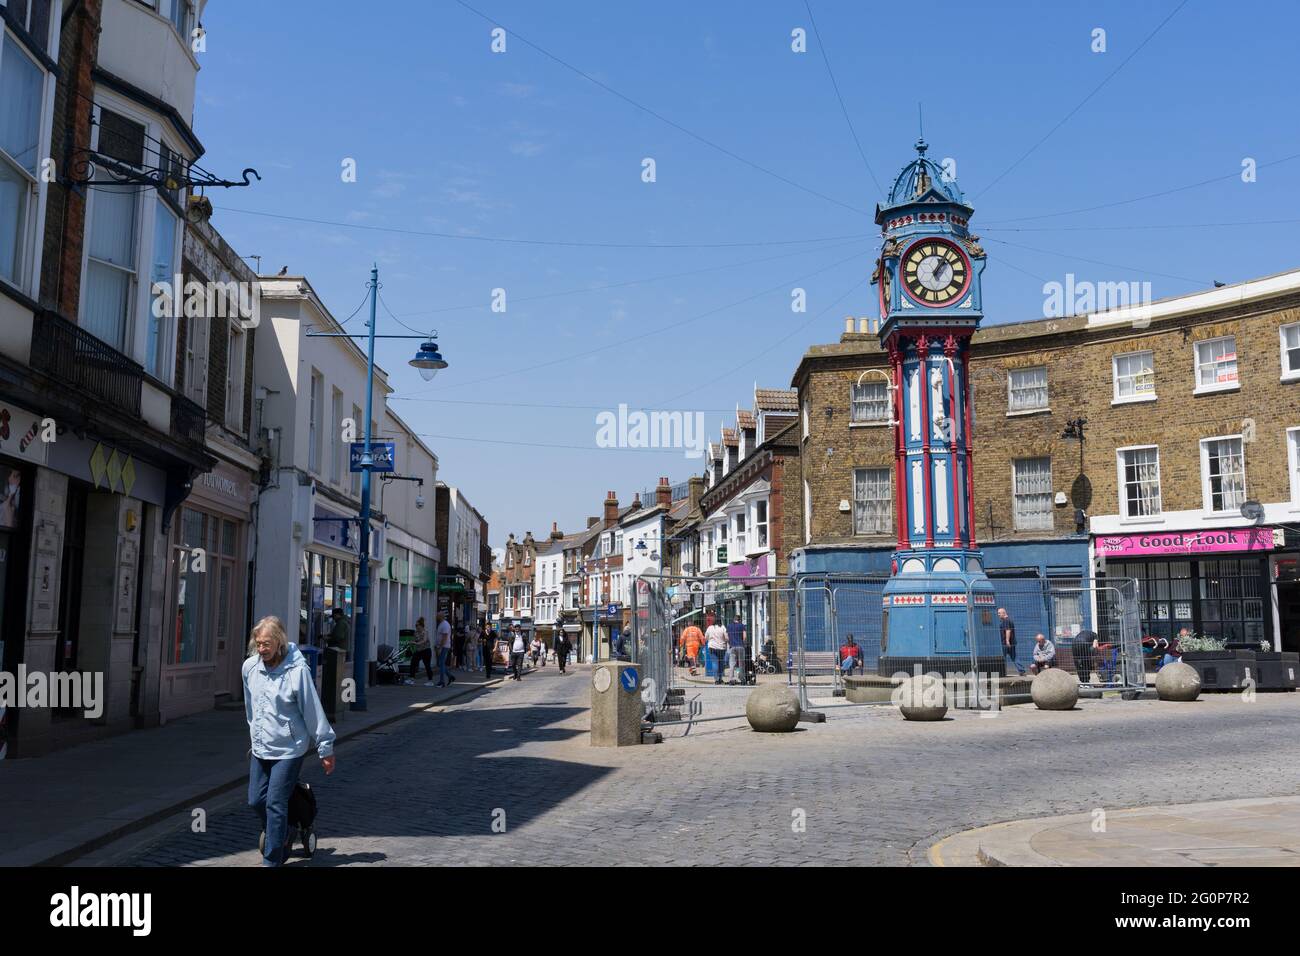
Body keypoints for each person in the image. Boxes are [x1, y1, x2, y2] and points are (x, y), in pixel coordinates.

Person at [242, 616, 336, 867]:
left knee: (275, 802)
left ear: (279, 643)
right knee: (255, 800)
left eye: (266, 644)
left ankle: (272, 860)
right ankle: (283, 833)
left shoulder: (297, 671)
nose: (261, 649)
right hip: (262, 748)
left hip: (289, 749)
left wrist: (325, 747)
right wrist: (255, 735)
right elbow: (251, 708)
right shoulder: (250, 668)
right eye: (258, 643)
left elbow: (312, 710)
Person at [998, 607, 1024, 676]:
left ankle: (1002, 672)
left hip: (1007, 643)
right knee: (1014, 656)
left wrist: (1007, 641)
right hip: (1011, 643)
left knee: (1003, 657)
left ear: (1003, 613)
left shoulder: (1006, 621)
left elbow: (1008, 630)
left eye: (999, 613)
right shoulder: (1008, 620)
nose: (998, 615)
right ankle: (1021, 670)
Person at [409, 617, 433, 684]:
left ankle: (430, 681)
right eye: (415, 625)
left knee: (427, 665)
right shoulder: (416, 632)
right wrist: (411, 642)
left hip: (426, 650)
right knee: (413, 662)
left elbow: (424, 640)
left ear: (421, 625)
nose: (416, 627)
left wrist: (416, 643)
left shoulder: (425, 632)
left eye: (417, 625)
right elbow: (413, 639)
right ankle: (411, 679)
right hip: (419, 651)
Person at [705, 617, 729, 685]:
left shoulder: (710, 628)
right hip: (721, 648)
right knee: (721, 663)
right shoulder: (723, 628)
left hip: (712, 647)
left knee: (714, 663)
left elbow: (706, 637)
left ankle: (716, 679)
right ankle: (721, 678)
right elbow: (727, 638)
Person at [435, 613, 455, 687]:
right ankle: (450, 676)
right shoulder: (441, 624)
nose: (436, 616)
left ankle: (442, 681)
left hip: (444, 647)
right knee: (441, 664)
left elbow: (445, 637)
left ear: (441, 616)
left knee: (441, 663)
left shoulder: (445, 625)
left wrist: (440, 647)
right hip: (442, 646)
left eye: (437, 615)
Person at [726, 615, 747, 685]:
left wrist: (730, 643)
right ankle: (742, 679)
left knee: (732, 664)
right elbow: (744, 636)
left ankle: (731, 679)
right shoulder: (742, 626)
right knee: (741, 664)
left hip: (732, 647)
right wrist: (743, 642)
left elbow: (726, 637)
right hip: (740, 646)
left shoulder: (729, 626)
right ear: (739, 620)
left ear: (733, 619)